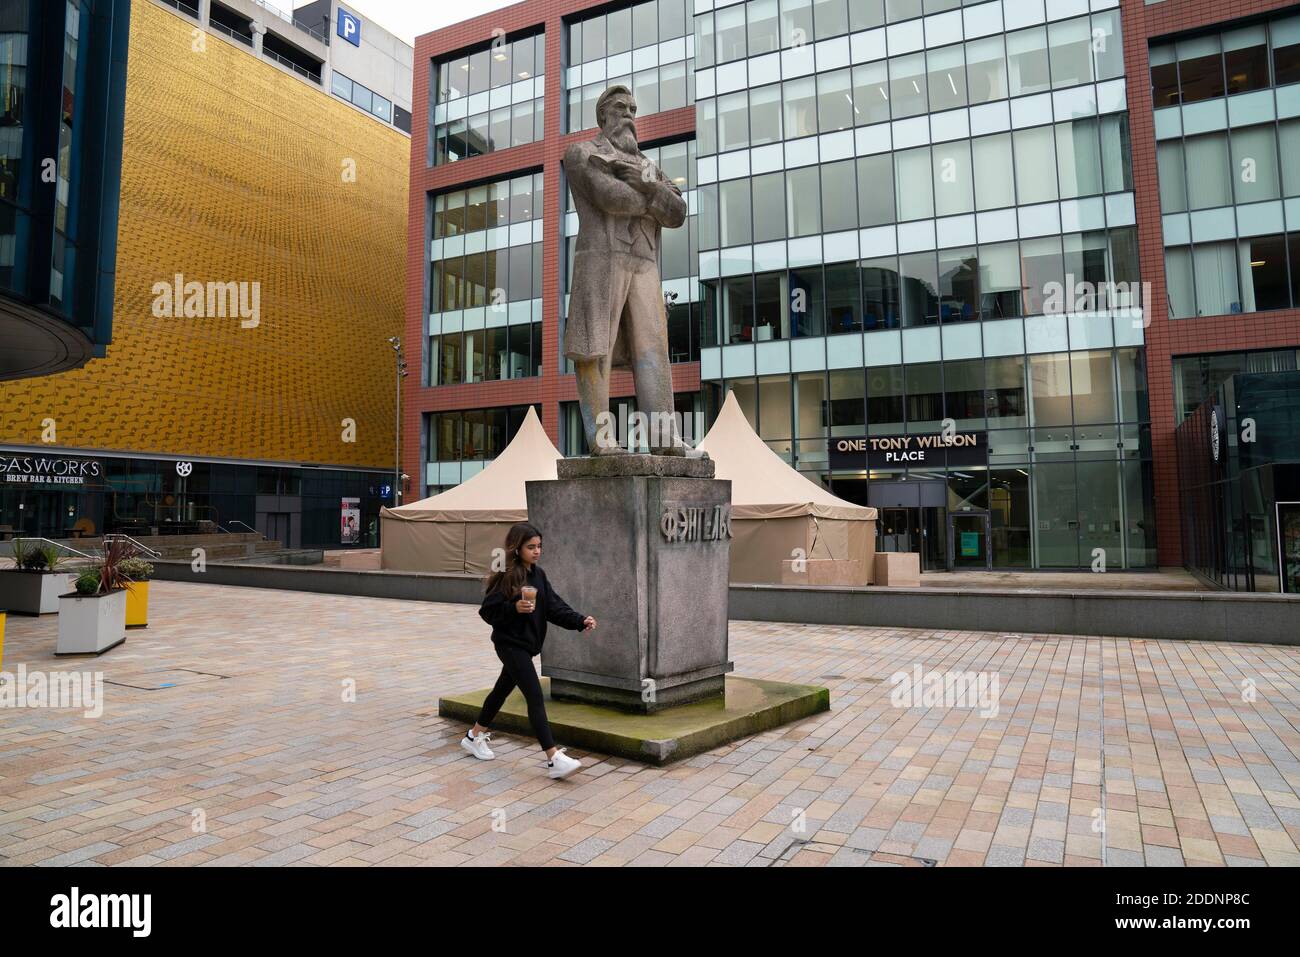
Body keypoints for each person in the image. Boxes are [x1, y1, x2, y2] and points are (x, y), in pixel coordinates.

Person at [461, 522, 596, 779]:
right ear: (517, 548)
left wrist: (580, 621)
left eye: (539, 546)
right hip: (509, 644)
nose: (537, 551)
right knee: (534, 696)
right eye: (531, 547)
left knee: (501, 690)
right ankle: (553, 758)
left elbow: (554, 607)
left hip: (526, 646)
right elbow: (487, 611)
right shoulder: (506, 574)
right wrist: (514, 609)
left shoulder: (539, 575)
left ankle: (474, 735)